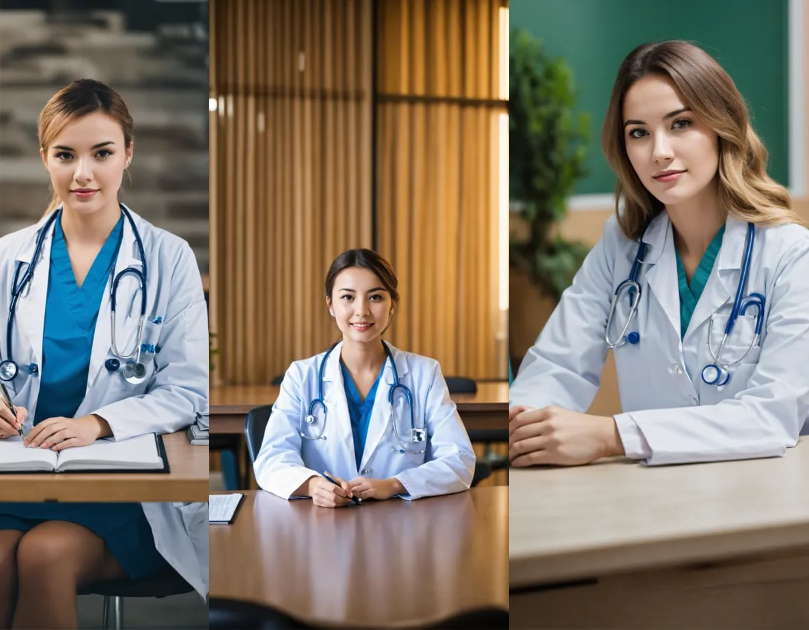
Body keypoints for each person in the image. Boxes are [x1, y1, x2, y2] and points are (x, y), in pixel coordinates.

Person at [0, 79, 208, 628]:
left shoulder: (168, 259)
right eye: (65, 155)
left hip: (120, 484)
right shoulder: (7, 258)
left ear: (128, 154)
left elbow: (186, 391)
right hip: (23, 470)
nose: (82, 173)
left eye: (102, 153)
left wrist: (98, 423)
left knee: (44, 556)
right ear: (45, 158)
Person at [509, 40, 809, 467]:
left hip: (763, 503)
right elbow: (557, 367)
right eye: (639, 132)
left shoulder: (791, 255)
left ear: (722, 126)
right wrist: (524, 424)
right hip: (651, 499)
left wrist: (614, 434)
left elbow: (771, 416)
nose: (659, 151)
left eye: (681, 123)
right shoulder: (623, 245)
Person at [254, 249, 475, 507]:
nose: (362, 310)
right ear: (330, 305)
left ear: (392, 304)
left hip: (401, 526)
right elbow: (271, 460)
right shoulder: (301, 376)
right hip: (323, 526)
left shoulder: (423, 374)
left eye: (376, 297)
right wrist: (314, 486)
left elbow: (459, 460)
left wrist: (394, 484)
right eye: (348, 297)